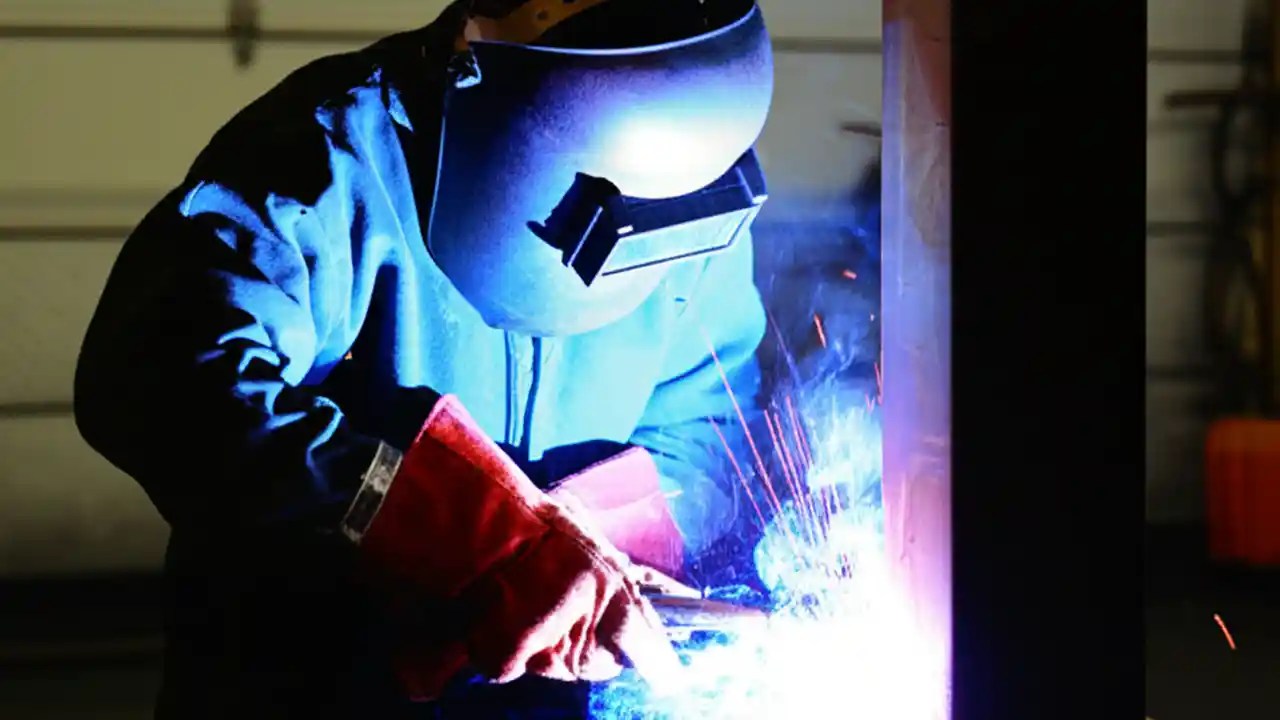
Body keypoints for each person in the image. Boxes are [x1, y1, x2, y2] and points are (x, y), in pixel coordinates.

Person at [73, 0, 774, 717]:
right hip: (310, 690)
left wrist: (605, 550)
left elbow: (708, 417)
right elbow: (158, 374)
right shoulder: (331, 158)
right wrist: (471, 536)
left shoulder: (691, 172)